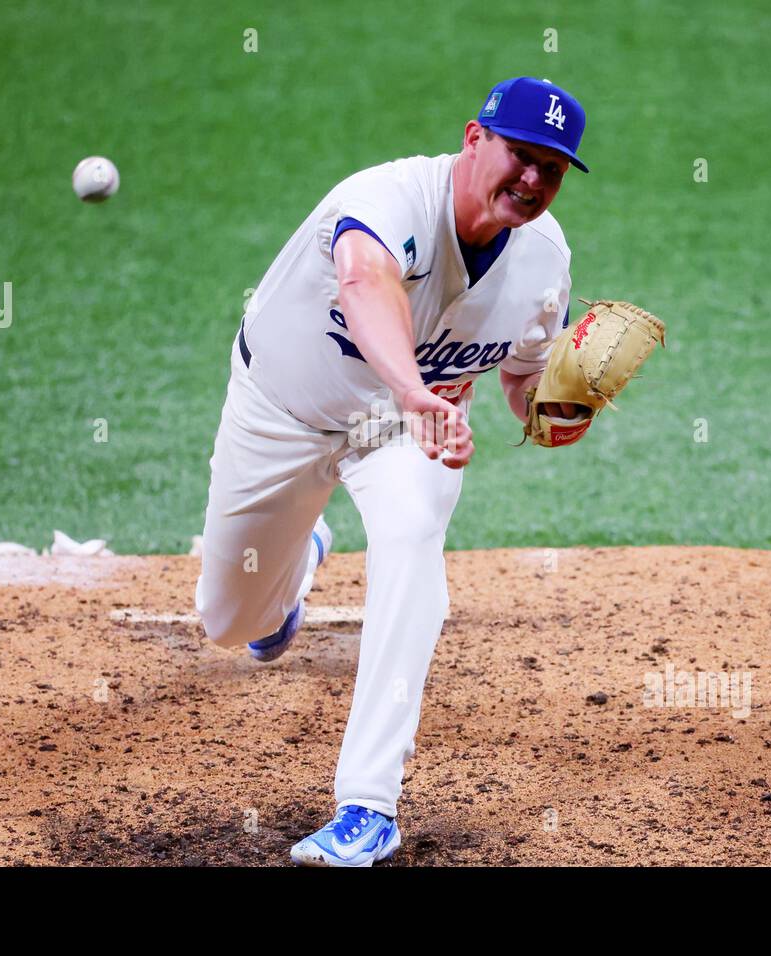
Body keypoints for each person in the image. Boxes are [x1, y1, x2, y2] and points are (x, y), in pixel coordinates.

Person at [195, 76, 588, 866]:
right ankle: (291, 569)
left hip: (405, 432)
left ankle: (368, 806)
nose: (534, 180)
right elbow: (365, 282)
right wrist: (412, 390)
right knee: (228, 623)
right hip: (284, 411)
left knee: (411, 540)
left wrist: (560, 411)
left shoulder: (545, 261)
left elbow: (521, 379)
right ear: (474, 140)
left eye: (554, 168)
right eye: (523, 155)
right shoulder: (388, 199)